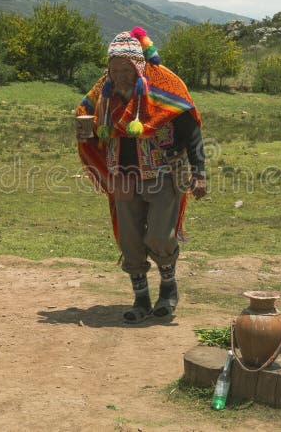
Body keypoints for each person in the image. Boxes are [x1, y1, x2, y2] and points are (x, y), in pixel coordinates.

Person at [76, 27, 206, 323]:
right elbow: (86, 115)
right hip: (121, 177)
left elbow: (192, 132)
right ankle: (141, 298)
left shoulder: (164, 90)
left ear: (138, 67)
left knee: (160, 235)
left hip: (162, 175)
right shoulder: (103, 95)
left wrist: (200, 173)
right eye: (114, 69)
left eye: (126, 69)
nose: (120, 76)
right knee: (130, 241)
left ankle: (169, 290)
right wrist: (86, 129)